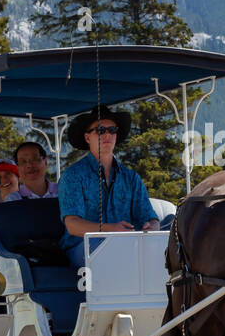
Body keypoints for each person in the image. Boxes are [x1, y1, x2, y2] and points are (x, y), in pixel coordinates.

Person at [58, 105, 159, 270]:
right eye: (100, 130)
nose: (107, 135)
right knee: (112, 253)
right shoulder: (73, 176)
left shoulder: (131, 178)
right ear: (87, 137)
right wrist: (111, 230)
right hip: (83, 247)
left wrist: (153, 227)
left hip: (127, 246)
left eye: (112, 130)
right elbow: (73, 225)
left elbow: (150, 218)